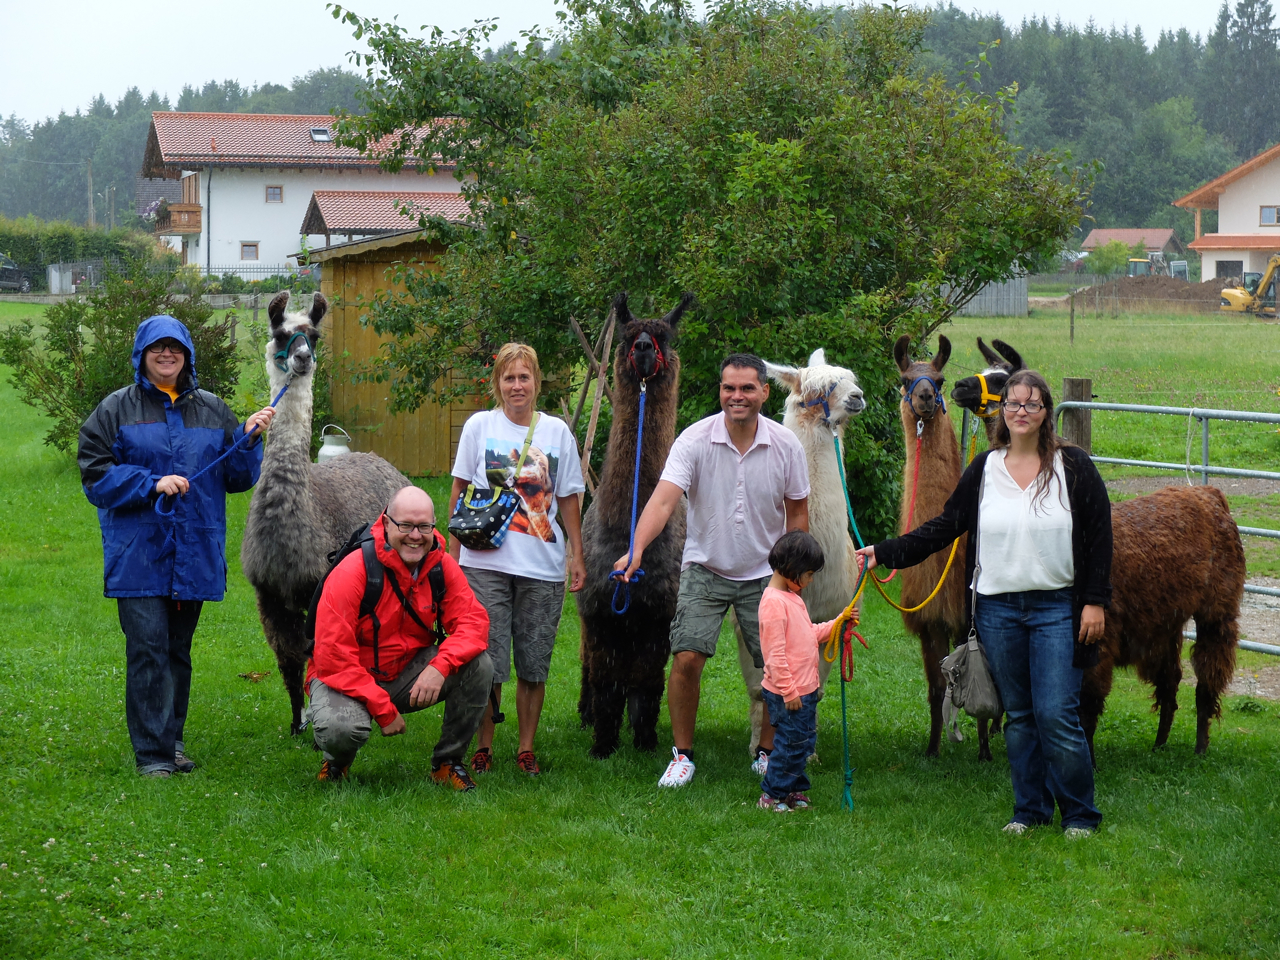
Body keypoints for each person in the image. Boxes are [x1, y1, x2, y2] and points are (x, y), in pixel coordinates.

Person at [857, 369, 1111, 837]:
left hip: (1057, 607)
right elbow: (944, 526)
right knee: (1019, 716)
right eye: (1013, 404)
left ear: (1046, 413)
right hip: (997, 609)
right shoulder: (986, 469)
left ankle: (1079, 813)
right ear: (1002, 412)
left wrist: (1094, 602)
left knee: (1056, 713)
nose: (1020, 412)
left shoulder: (1073, 467)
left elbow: (1099, 538)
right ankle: (1030, 809)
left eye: (1031, 404)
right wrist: (886, 552)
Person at [78, 315, 276, 777]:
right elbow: (95, 475)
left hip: (193, 553)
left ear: (187, 354)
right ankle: (153, 755)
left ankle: (172, 740)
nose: (166, 355)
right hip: (139, 554)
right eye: (156, 348)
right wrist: (150, 483)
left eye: (175, 348)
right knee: (148, 647)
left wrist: (247, 440)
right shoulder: (115, 410)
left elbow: (238, 478)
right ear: (141, 354)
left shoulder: (212, 409)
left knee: (176, 650)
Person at [614, 353, 810, 788]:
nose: (736, 396)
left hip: (767, 573)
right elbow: (664, 500)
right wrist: (636, 549)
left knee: (775, 668)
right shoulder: (695, 439)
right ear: (720, 391)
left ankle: (767, 752)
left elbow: (797, 512)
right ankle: (682, 756)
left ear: (763, 391)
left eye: (745, 388)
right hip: (704, 566)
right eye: (728, 388)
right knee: (685, 658)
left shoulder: (786, 445)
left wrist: (792, 572)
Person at [449, 343, 587, 776]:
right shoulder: (479, 426)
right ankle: (483, 746)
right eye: (508, 378)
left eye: (524, 377)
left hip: (541, 566)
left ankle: (525, 748)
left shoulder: (557, 432)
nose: (516, 386)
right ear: (498, 384)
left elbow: (568, 497)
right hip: (483, 563)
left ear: (536, 382)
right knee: (486, 661)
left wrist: (575, 554)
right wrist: (452, 560)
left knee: (534, 660)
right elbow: (457, 492)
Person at [307, 486, 493, 789]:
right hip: (345, 677)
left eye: (423, 527)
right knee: (341, 730)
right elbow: (332, 656)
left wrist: (440, 666)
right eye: (405, 525)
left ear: (434, 527)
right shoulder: (353, 571)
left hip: (406, 673)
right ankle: (337, 761)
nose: (415, 536)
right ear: (386, 522)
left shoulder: (440, 566)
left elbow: (473, 623)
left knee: (480, 665)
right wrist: (381, 707)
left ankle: (447, 763)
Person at [756, 531, 840, 813]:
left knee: (803, 744)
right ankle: (772, 795)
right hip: (788, 694)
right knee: (789, 746)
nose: (811, 579)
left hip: (805, 692)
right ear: (792, 570)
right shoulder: (773, 604)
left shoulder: (792, 599)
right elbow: (774, 656)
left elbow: (808, 633)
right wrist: (789, 691)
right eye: (809, 573)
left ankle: (793, 789)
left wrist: (837, 624)